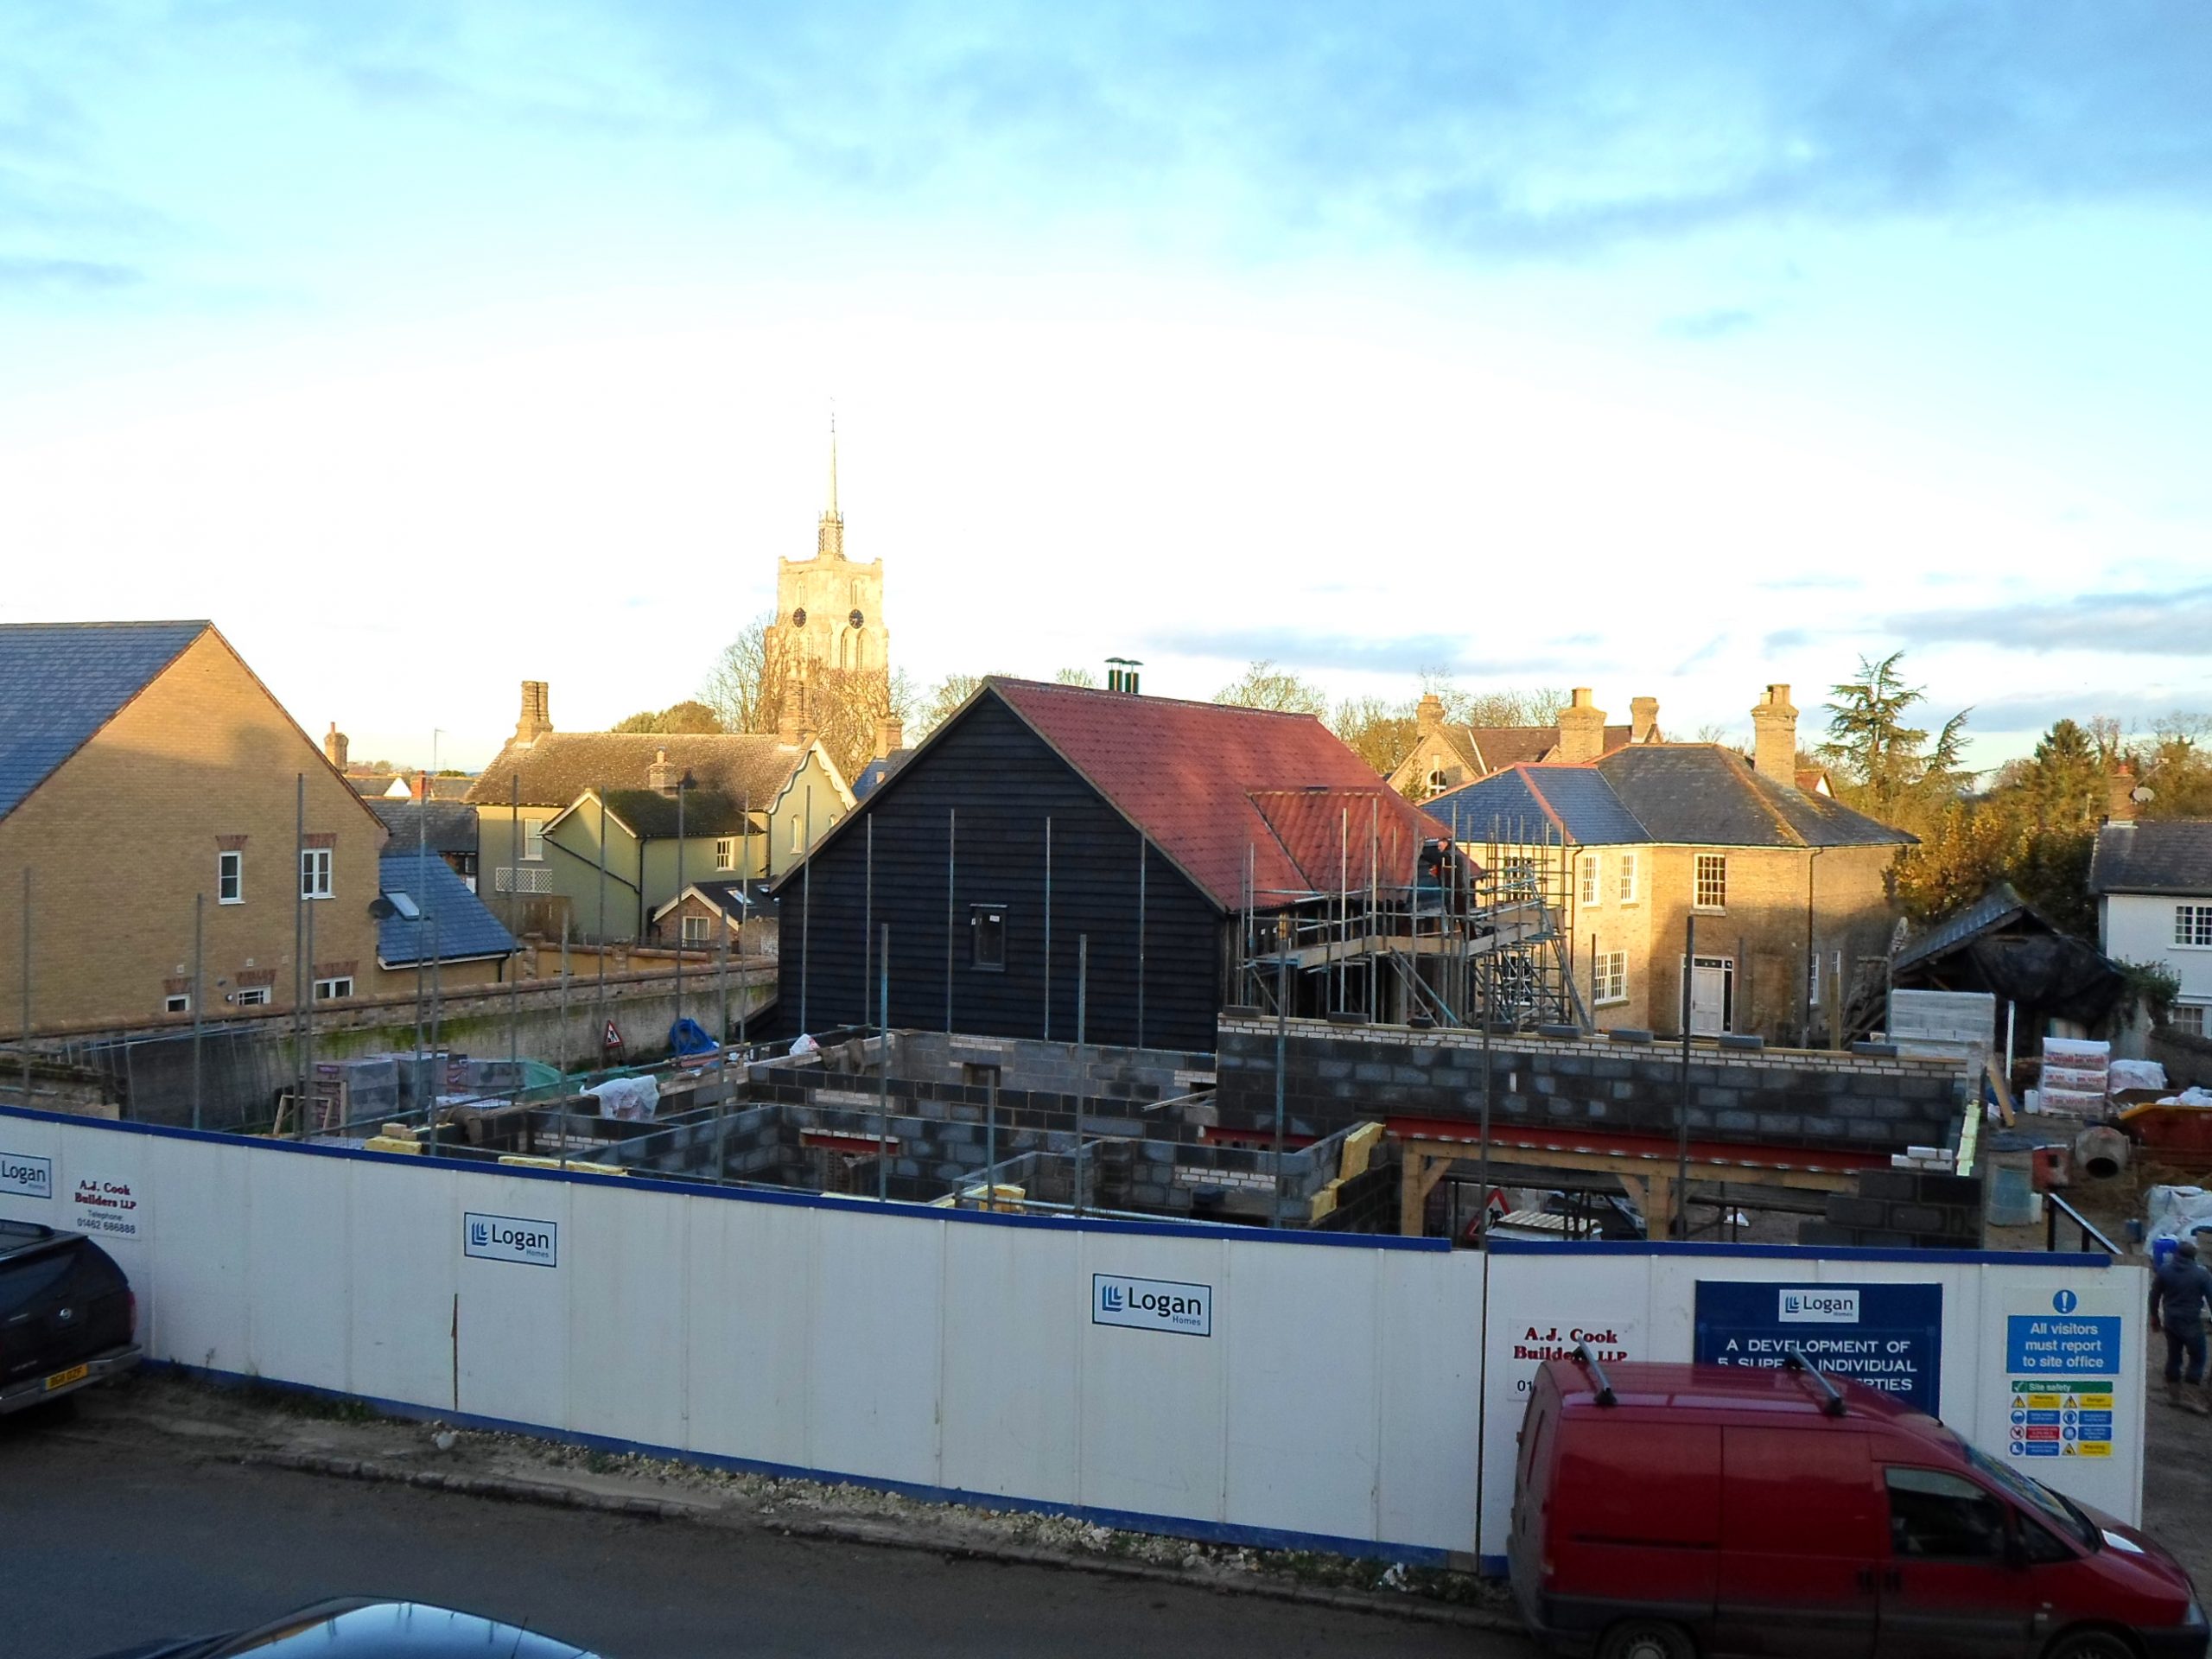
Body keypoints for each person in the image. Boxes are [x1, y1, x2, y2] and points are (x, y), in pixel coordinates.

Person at [2151, 1236, 2212, 1412]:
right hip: (2191, 1321)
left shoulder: (2164, 1271)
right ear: (2194, 1256)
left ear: (2176, 1253)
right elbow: (2211, 1297)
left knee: (2174, 1355)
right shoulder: (2202, 1274)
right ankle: (2190, 1394)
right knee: (2198, 1356)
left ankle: (2174, 1394)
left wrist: (2154, 1317)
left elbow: (2154, 1296)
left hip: (2170, 1320)